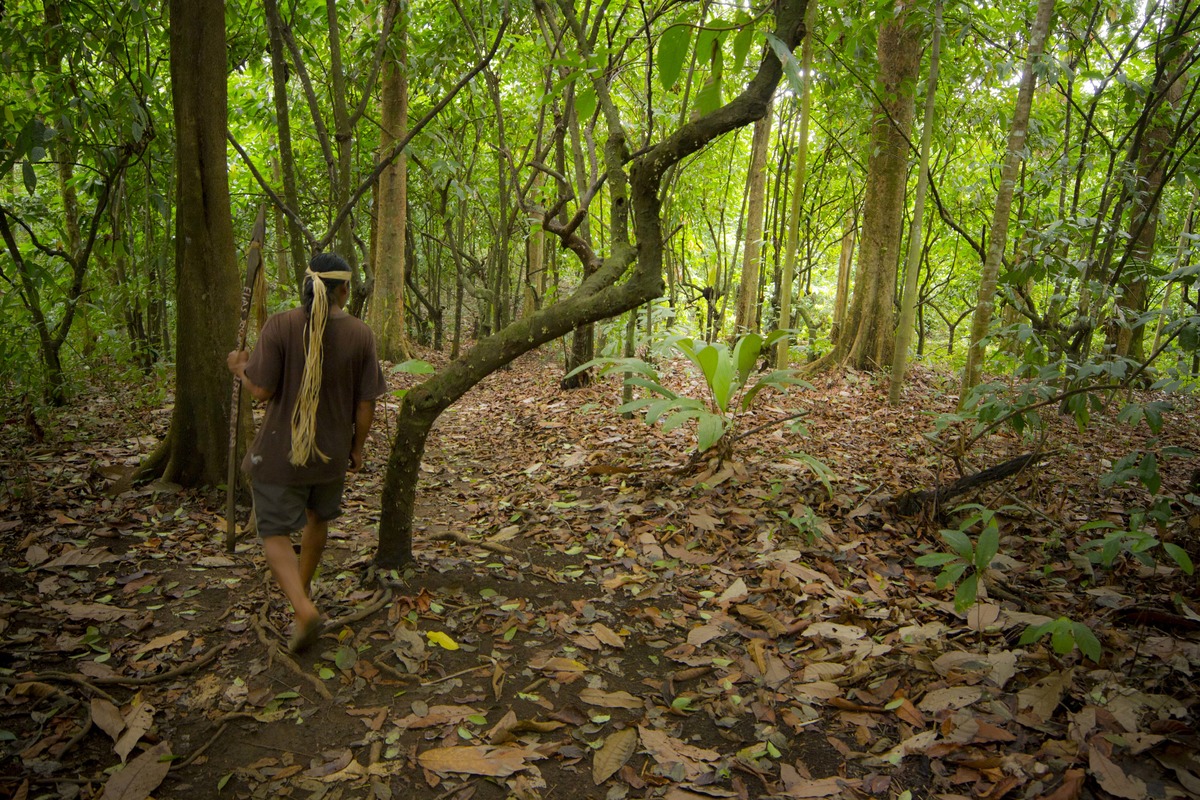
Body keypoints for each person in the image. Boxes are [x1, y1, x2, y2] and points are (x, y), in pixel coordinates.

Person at [227, 253, 387, 653]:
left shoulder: (280, 325)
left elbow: (261, 390)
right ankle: (304, 597)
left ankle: (302, 607)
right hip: (331, 453)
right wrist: (356, 448)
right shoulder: (361, 334)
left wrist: (240, 368)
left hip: (279, 455)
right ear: (343, 290)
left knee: (274, 532)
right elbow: (365, 404)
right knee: (318, 518)